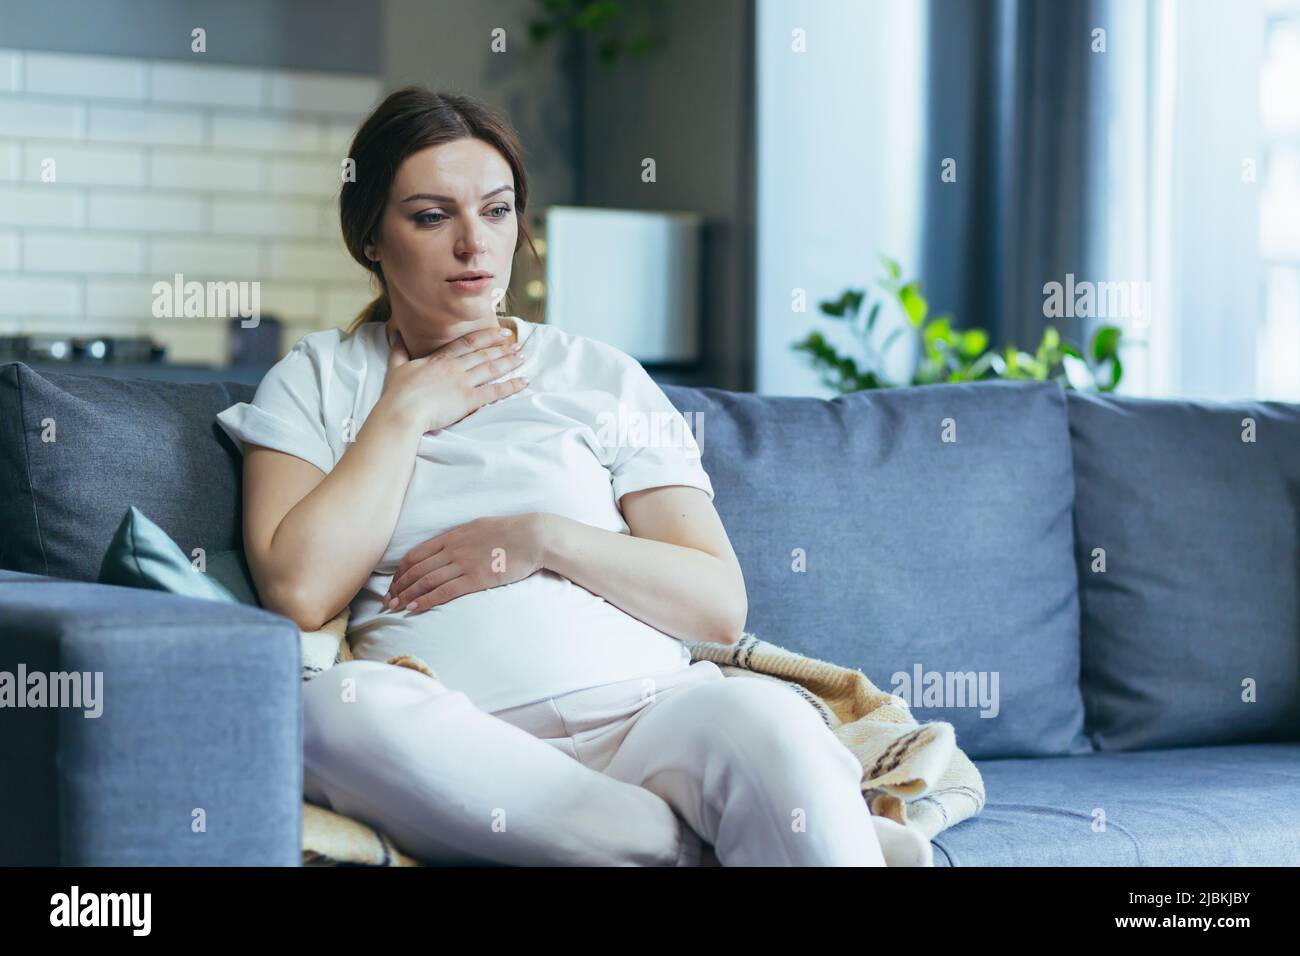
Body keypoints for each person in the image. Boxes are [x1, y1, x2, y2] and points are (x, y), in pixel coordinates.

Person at [216, 86, 931, 867]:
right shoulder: (317, 378)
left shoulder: (598, 373)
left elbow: (718, 606)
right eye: (431, 216)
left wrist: (541, 538)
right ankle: (680, 849)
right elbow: (299, 590)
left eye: (496, 211)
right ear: (371, 239)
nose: (474, 244)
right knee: (335, 713)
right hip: (462, 742)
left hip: (648, 716)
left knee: (767, 726)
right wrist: (406, 410)